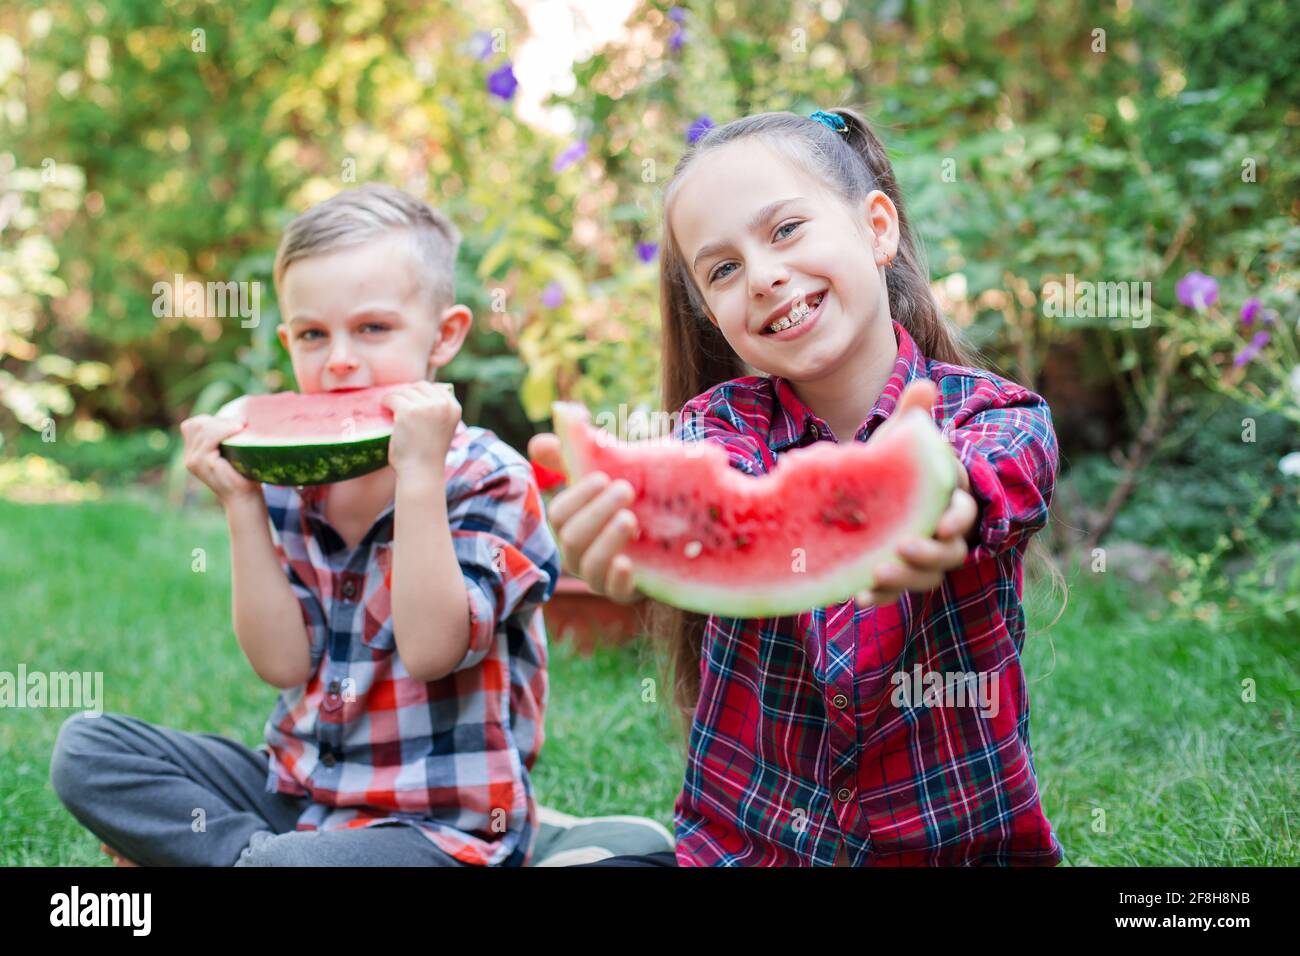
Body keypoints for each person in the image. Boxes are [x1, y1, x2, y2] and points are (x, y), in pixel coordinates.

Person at [50, 183, 668, 867]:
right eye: (314, 335)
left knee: (291, 864)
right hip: (298, 794)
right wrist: (243, 505)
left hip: (439, 826)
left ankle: (245, 861)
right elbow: (280, 663)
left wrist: (420, 475)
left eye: (372, 328)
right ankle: (255, 858)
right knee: (87, 749)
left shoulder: (491, 478)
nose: (339, 357)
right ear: (289, 342)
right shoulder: (287, 476)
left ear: (445, 335)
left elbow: (434, 649)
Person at [531, 108, 1065, 866]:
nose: (765, 275)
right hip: (749, 851)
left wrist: (943, 499)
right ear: (711, 314)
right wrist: (628, 528)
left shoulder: (999, 416)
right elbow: (720, 504)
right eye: (723, 269)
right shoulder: (716, 428)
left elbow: (998, 474)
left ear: (877, 228)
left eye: (785, 230)